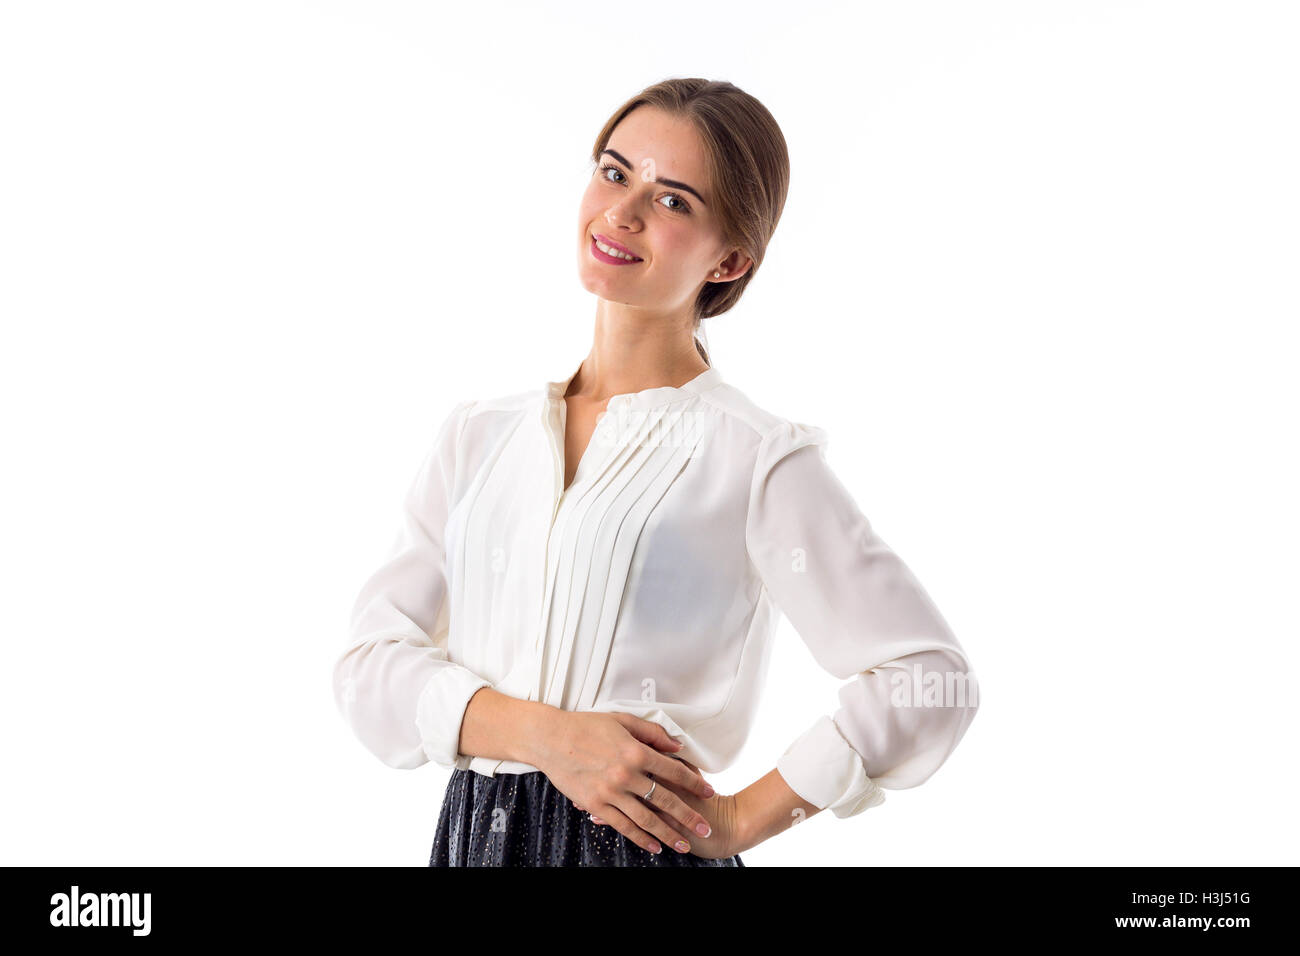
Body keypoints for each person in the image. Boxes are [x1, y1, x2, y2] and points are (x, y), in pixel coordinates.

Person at [333, 77, 980, 867]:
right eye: (614, 173)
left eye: (673, 201)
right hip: (472, 840)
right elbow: (368, 668)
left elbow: (930, 679)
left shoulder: (755, 455)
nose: (623, 212)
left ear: (732, 257)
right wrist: (549, 736)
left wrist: (741, 819)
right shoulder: (479, 437)